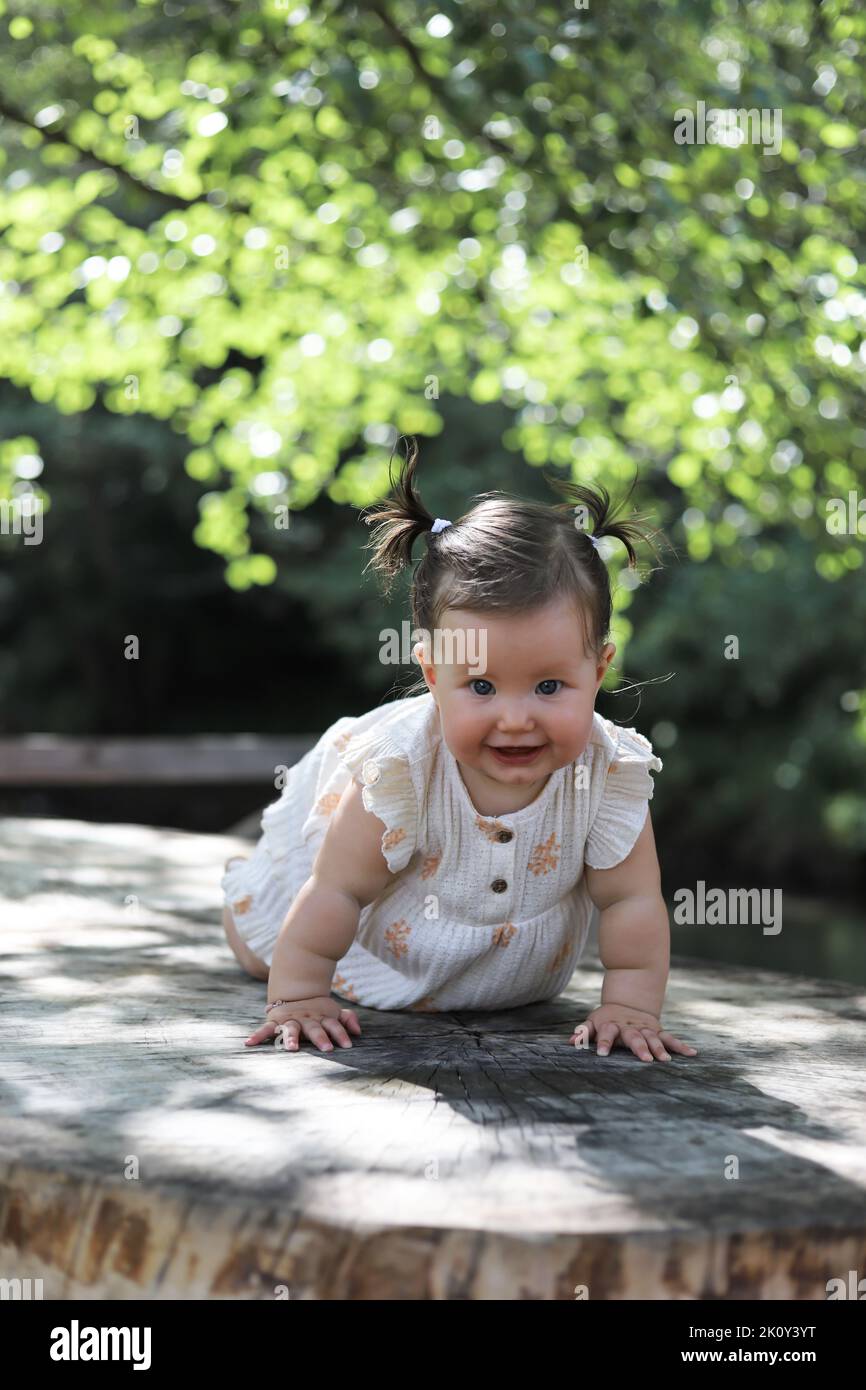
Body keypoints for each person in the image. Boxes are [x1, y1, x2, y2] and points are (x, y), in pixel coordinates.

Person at [222, 437, 697, 1064]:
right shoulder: (403, 768)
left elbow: (631, 900)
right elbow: (336, 890)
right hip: (366, 954)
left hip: (514, 983)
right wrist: (298, 996)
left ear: (601, 669)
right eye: (480, 686)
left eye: (550, 686)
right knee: (260, 950)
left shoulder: (608, 777)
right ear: (431, 674)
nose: (516, 718)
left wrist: (631, 1008)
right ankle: (247, 920)